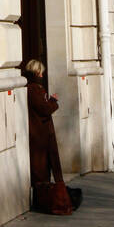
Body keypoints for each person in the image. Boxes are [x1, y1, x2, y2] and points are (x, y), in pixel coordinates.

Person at [24, 59, 72, 214]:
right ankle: (45, 201)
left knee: (44, 169)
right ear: (37, 72)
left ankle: (47, 199)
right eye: (40, 71)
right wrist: (53, 101)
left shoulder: (36, 89)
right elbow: (44, 109)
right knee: (40, 170)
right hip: (39, 136)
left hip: (42, 135)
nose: (42, 74)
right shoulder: (33, 90)